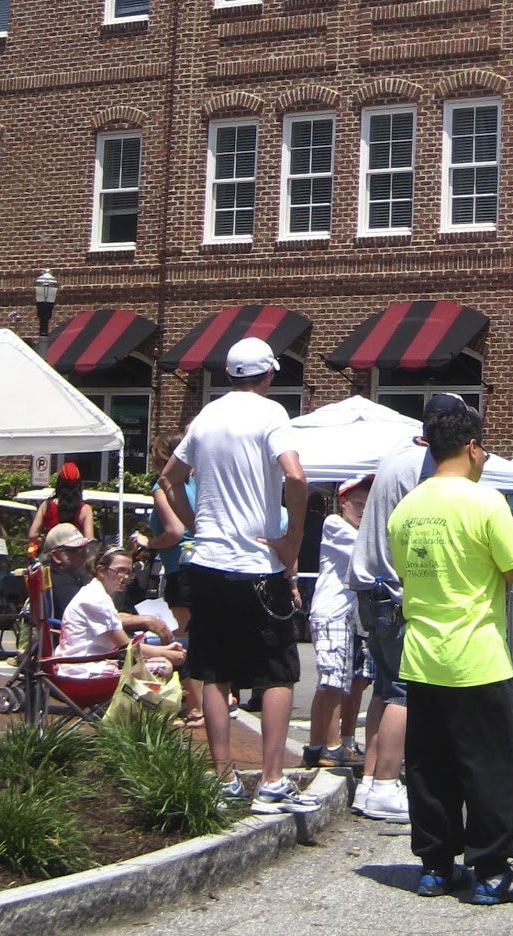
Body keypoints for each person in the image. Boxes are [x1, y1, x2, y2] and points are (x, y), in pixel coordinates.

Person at [388, 394, 513, 905]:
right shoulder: (485, 501)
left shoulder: (406, 508)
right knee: (492, 769)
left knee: (430, 768)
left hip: (423, 654)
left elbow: (407, 572)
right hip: (477, 655)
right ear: (472, 447)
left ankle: (436, 867)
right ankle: (492, 871)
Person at [158, 335, 316, 817]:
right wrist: (291, 539)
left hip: (206, 562)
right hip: (256, 565)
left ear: (229, 375)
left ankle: (224, 777)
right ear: (267, 375)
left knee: (212, 669)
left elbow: (169, 477)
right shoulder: (270, 415)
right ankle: (271, 780)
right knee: (277, 673)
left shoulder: (207, 416)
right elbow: (295, 476)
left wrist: (191, 522)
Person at [347, 395, 447, 823]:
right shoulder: (424, 465)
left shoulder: (396, 454)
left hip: (369, 587)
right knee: (406, 691)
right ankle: (387, 784)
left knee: (385, 689)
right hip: (393, 589)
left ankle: (370, 783)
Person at [305, 475, 373, 770]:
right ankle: (332, 748)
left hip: (343, 615)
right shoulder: (335, 525)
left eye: (368, 505)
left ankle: (316, 744)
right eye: (358, 503)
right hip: (331, 612)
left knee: (333, 682)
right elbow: (368, 555)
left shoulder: (356, 529)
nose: (363, 510)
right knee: (333, 682)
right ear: (342, 502)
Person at [57, 543, 186, 684]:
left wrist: (164, 650)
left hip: (82, 665)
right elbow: (126, 647)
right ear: (101, 571)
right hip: (83, 671)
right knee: (164, 666)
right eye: (120, 571)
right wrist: (165, 652)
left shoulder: (95, 592)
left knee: (155, 661)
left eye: (129, 572)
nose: (125, 577)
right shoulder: (96, 599)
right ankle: (138, 707)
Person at [146, 431, 202, 725]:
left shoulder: (163, 486)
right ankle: (217, 700)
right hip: (204, 565)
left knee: (182, 639)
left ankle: (193, 707)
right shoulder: (196, 482)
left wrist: (148, 543)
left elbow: (174, 531)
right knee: (203, 635)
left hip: (180, 567)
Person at [28, 462, 94, 546]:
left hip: (52, 554)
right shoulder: (85, 509)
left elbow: (32, 535)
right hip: (74, 555)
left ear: (59, 483)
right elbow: (89, 539)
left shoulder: (46, 506)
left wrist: (47, 541)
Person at [40, 522, 92, 617]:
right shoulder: (64, 586)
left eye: (85, 549)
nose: (85, 555)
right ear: (56, 557)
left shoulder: (50, 576)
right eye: (78, 551)